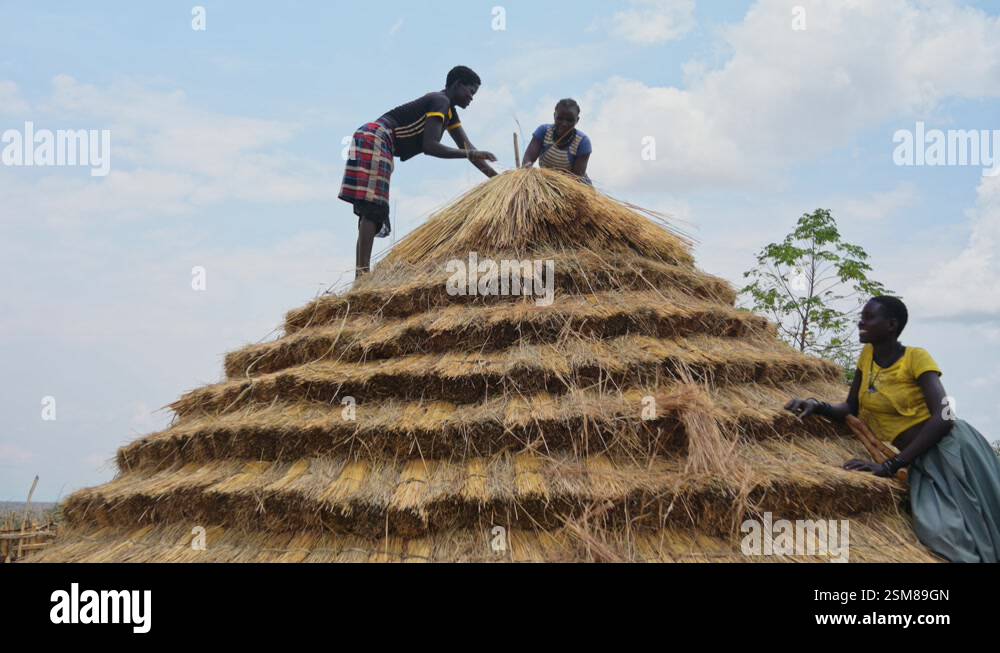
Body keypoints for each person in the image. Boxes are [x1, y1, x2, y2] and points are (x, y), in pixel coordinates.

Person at [785, 296, 1000, 562]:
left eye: (869, 317)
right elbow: (851, 407)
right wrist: (817, 405)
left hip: (951, 450)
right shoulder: (867, 357)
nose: (861, 322)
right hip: (920, 457)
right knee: (942, 532)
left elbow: (944, 417)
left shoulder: (916, 358)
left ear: (891, 324)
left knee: (974, 528)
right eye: (862, 316)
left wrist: (890, 466)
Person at [339, 66, 498, 278]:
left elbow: (469, 149)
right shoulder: (440, 101)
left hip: (375, 138)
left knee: (372, 207)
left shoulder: (449, 111)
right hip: (377, 138)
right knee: (373, 208)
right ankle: (362, 275)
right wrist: (471, 154)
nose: (471, 98)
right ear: (458, 85)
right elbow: (430, 146)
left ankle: (361, 274)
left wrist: (499, 179)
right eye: (470, 91)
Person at [521, 98, 592, 183]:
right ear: (554, 115)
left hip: (571, 185)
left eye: (570, 120)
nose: (564, 123)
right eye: (560, 118)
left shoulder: (582, 142)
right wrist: (528, 168)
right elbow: (528, 159)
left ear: (577, 120)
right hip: (547, 181)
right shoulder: (543, 131)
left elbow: (576, 178)